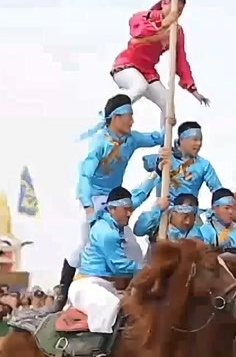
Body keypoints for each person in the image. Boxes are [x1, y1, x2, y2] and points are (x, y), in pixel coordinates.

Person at [52, 94, 170, 311]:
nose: (132, 121)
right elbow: (85, 176)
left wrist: (168, 119)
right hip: (96, 200)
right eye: (129, 116)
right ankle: (62, 291)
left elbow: (159, 137)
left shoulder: (131, 139)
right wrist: (88, 208)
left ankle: (141, 294)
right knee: (85, 244)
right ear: (115, 117)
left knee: (133, 248)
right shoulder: (99, 143)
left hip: (117, 198)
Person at [66, 186, 141, 357]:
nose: (130, 213)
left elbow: (139, 195)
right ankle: (97, 354)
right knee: (112, 304)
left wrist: (155, 176)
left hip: (107, 284)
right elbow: (118, 266)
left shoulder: (115, 226)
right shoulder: (106, 232)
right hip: (87, 284)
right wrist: (147, 268)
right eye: (126, 209)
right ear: (112, 209)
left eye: (131, 209)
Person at [111, 0, 211, 125]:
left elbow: (180, 60)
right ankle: (111, 112)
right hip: (128, 65)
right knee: (139, 86)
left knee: (167, 103)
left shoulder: (177, 31)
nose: (176, 14)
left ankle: (164, 141)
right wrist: (163, 23)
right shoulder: (146, 16)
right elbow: (138, 30)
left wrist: (193, 89)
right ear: (164, 3)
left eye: (180, 11)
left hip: (147, 71)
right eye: (175, 9)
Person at [142, 121, 223, 203]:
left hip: (190, 211)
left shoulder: (204, 165)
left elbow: (218, 190)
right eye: (195, 139)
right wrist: (159, 163)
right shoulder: (165, 159)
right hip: (165, 210)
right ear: (181, 139)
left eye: (200, 140)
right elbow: (147, 165)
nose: (199, 143)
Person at [134, 192, 203, 248]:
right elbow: (139, 230)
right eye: (185, 217)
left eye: (192, 218)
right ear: (174, 212)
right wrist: (157, 208)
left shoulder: (195, 232)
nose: (188, 222)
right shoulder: (158, 223)